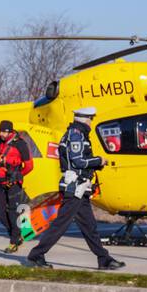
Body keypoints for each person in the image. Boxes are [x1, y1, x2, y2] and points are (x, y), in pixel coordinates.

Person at [26, 106, 125, 270]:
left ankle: (104, 259)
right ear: (85, 119)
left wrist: (94, 166)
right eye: (91, 119)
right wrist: (98, 161)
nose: (91, 122)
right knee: (61, 225)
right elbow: (78, 161)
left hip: (80, 188)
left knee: (90, 227)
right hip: (75, 189)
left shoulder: (76, 134)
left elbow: (76, 162)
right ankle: (36, 255)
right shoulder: (76, 135)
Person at [0, 120, 33, 253]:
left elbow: (29, 166)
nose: (2, 134)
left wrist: (18, 176)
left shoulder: (20, 144)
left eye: (5, 132)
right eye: (1, 131)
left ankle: (14, 241)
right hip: (0, 181)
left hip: (14, 182)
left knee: (12, 211)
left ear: (10, 131)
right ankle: (18, 232)